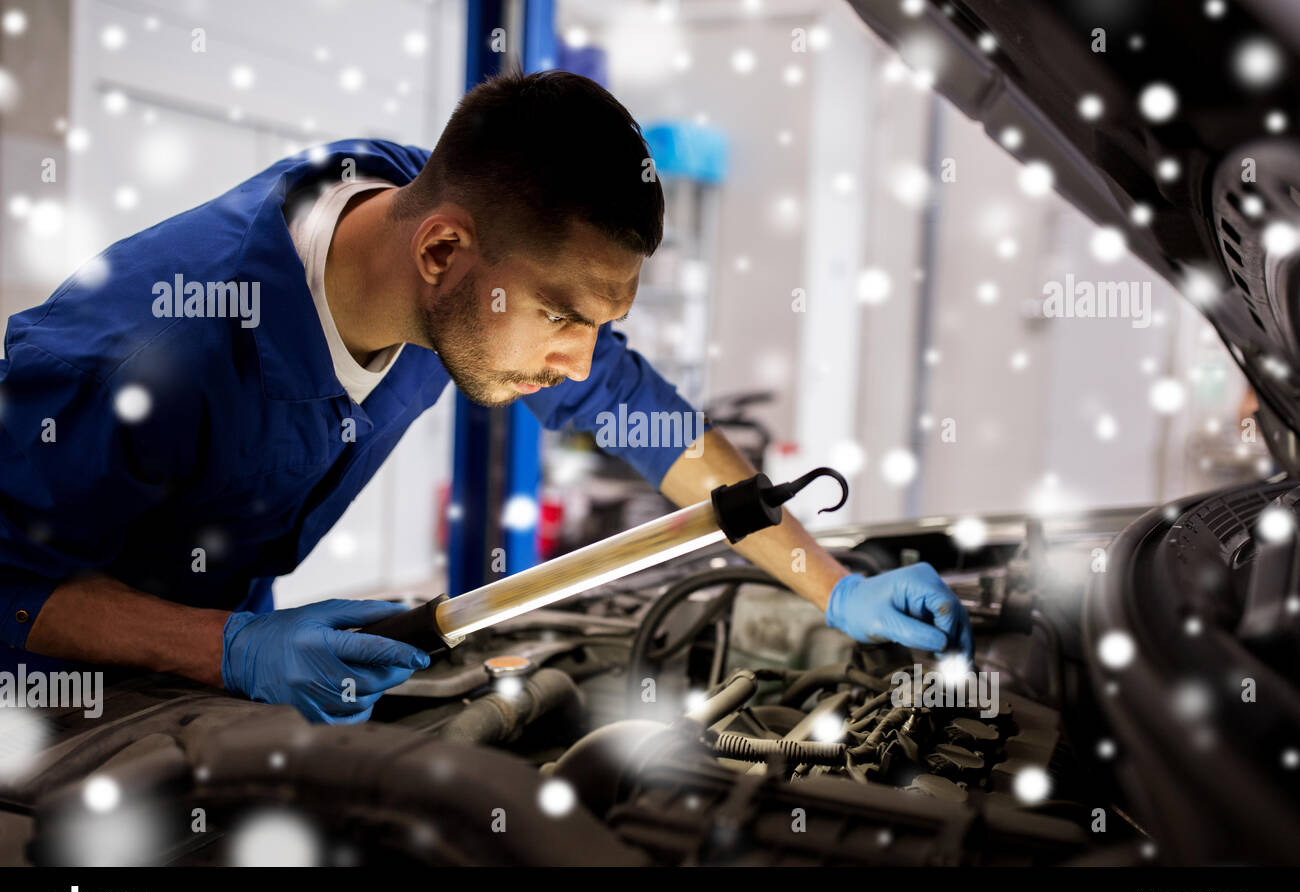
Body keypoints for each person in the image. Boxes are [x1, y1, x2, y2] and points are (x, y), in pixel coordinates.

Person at [0, 70, 970, 723]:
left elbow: (639, 412)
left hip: (203, 679)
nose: (582, 362)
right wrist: (237, 646)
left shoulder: (425, 228)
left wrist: (834, 584)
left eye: (596, 322)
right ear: (440, 253)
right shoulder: (147, 354)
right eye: (561, 317)